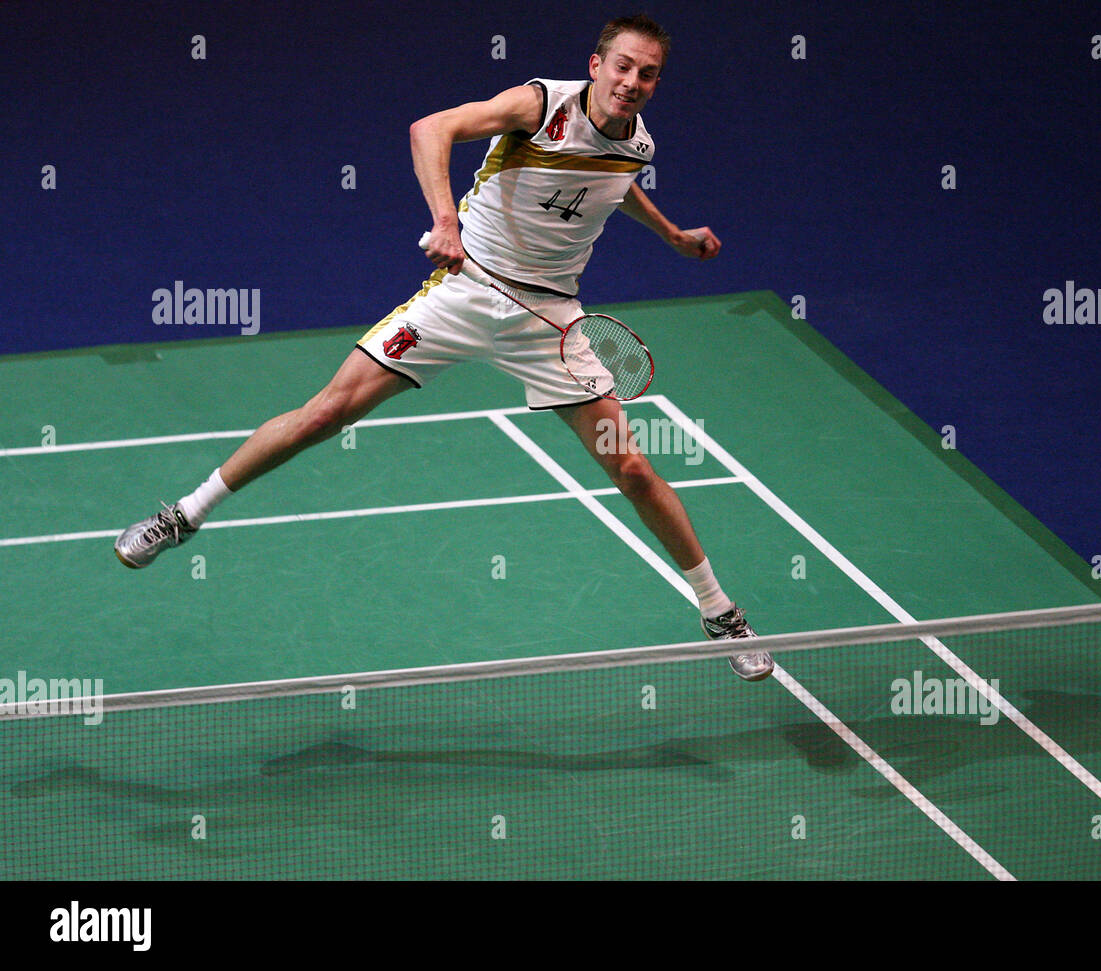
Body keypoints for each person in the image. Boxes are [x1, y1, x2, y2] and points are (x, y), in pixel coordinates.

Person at [114, 14, 773, 682]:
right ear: (597, 65)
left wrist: (669, 233)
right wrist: (444, 221)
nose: (633, 82)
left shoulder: (639, 144)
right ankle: (183, 513)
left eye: (648, 72)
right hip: (465, 289)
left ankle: (719, 609)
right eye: (624, 66)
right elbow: (431, 128)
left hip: (549, 319)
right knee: (326, 412)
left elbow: (610, 181)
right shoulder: (541, 104)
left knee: (630, 467)